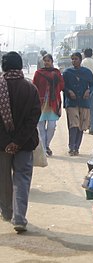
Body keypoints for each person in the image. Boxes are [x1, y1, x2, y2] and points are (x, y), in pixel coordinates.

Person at [0, 51, 41, 232]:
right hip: (25, 144)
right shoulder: (30, 88)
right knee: (22, 179)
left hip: (1, 145)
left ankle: (7, 212)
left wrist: (7, 141)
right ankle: (19, 218)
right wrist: (17, 141)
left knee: (3, 179)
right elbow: (33, 119)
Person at [62, 52, 93, 156]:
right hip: (71, 102)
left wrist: (88, 91)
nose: (74, 61)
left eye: (76, 59)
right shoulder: (67, 72)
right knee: (73, 125)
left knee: (81, 126)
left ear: (80, 60)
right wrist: (68, 91)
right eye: (72, 59)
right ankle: (71, 147)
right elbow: (63, 86)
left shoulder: (87, 72)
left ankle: (77, 147)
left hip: (84, 102)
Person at [32, 53, 64, 156]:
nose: (46, 63)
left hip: (53, 103)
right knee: (40, 127)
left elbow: (61, 85)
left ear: (52, 62)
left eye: (48, 61)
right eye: (45, 61)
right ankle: (45, 149)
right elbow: (34, 86)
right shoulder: (38, 73)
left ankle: (46, 145)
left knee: (52, 126)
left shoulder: (56, 73)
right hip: (41, 104)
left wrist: (55, 91)